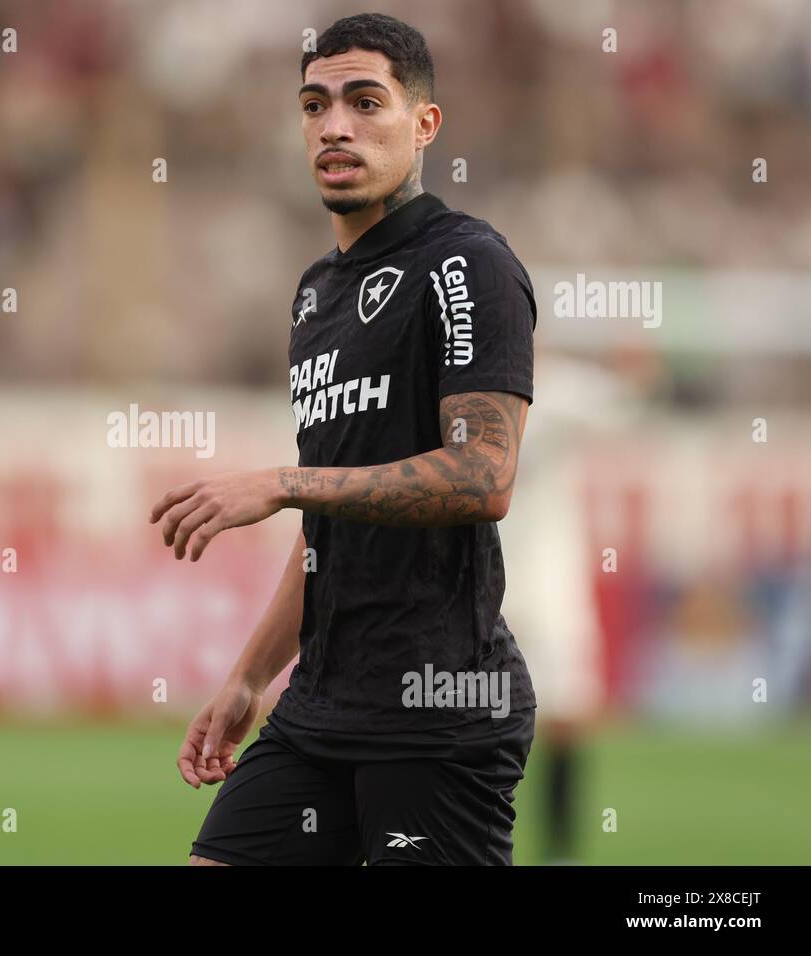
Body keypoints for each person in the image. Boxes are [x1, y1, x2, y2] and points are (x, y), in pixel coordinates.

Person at [149, 12, 539, 865]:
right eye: (315, 104)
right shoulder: (316, 293)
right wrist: (252, 677)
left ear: (424, 124)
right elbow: (334, 527)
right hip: (320, 709)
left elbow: (483, 475)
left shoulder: (467, 265)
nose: (335, 126)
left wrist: (286, 483)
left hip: (440, 712)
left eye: (366, 103)